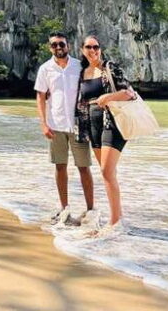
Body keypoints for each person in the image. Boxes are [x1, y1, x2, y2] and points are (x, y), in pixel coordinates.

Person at [74, 34, 136, 239]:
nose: (93, 50)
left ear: (100, 49)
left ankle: (115, 222)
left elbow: (129, 93)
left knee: (106, 171)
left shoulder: (110, 67)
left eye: (96, 47)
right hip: (92, 124)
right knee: (108, 174)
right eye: (88, 47)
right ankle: (118, 217)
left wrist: (108, 97)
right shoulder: (82, 73)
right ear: (82, 50)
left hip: (112, 121)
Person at [34, 32, 97, 227]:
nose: (58, 47)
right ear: (49, 48)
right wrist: (43, 123)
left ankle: (90, 210)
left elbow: (92, 89)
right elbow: (41, 97)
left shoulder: (79, 66)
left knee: (84, 167)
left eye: (61, 44)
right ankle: (65, 209)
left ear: (68, 45)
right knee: (60, 167)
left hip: (78, 124)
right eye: (54, 45)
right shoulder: (45, 69)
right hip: (55, 125)